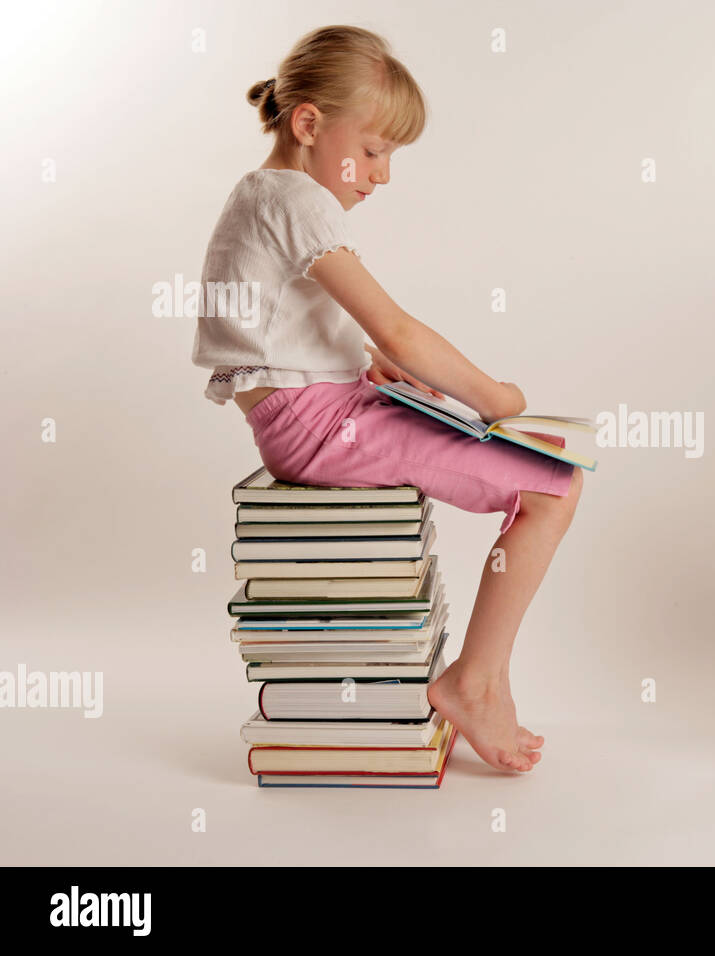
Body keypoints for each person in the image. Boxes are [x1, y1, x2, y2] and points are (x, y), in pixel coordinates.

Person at [192, 25, 583, 773]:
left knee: (547, 481)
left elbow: (279, 328)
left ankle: (485, 679)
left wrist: (366, 367)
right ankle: (474, 682)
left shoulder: (265, 195)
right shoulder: (298, 201)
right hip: (318, 430)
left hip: (317, 412)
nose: (382, 175)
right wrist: (497, 396)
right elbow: (398, 327)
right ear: (308, 125)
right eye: (373, 152)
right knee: (552, 488)